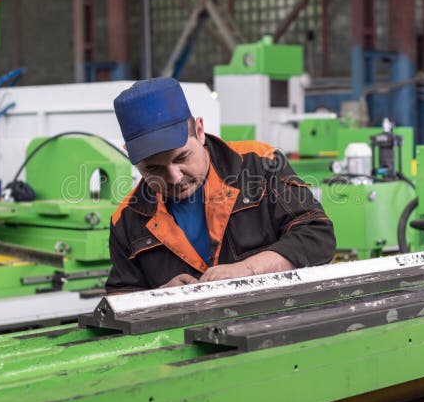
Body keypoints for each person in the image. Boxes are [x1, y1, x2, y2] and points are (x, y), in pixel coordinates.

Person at [106, 77, 335, 293]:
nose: (174, 177)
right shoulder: (127, 220)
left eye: (182, 158)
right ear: (130, 155)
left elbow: (317, 236)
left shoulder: (260, 164)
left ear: (199, 131)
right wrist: (160, 295)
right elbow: (120, 301)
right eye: (154, 169)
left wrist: (247, 270)